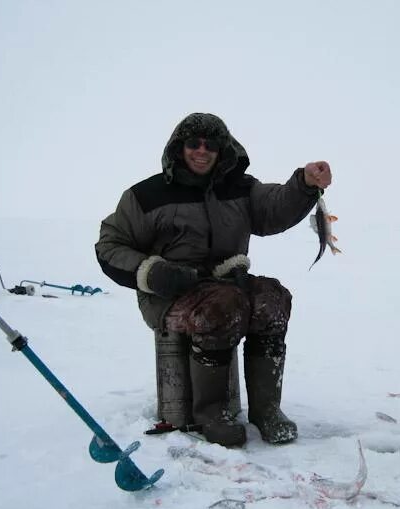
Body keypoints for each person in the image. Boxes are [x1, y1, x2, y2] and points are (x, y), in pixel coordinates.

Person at [95, 113, 332, 448]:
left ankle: (266, 411)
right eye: (193, 143)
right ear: (180, 147)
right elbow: (110, 245)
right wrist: (153, 272)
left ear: (224, 150)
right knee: (223, 307)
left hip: (225, 283)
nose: (202, 151)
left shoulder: (240, 189)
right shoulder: (146, 195)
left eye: (211, 144)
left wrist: (305, 184)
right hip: (168, 293)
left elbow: (273, 208)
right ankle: (212, 414)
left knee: (273, 298)